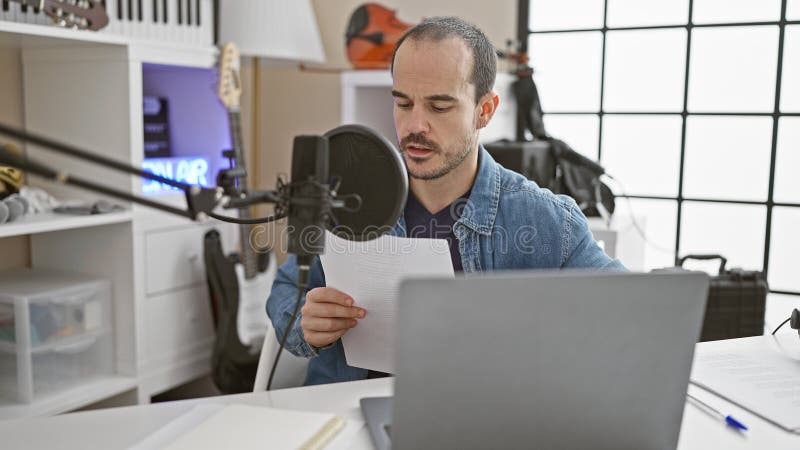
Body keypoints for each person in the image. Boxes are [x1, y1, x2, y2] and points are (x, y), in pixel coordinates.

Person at [267, 16, 625, 385]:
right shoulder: (344, 199)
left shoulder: (547, 220)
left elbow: (628, 311)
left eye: (439, 107)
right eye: (403, 104)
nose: (414, 126)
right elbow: (285, 294)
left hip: (484, 421)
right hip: (351, 414)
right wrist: (306, 323)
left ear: (484, 111)